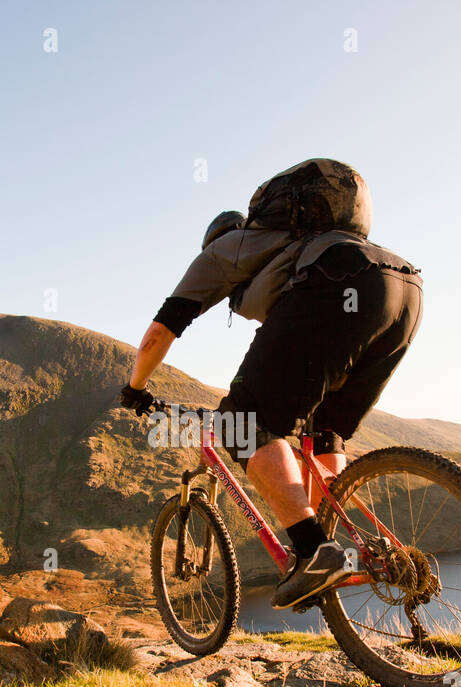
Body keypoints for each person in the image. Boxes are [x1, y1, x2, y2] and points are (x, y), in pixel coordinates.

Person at [120, 159, 423, 609]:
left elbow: (159, 333)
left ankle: (314, 551)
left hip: (336, 280)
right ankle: (350, 550)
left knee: (242, 422)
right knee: (323, 434)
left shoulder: (226, 251)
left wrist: (135, 388)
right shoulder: (294, 243)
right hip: (404, 290)